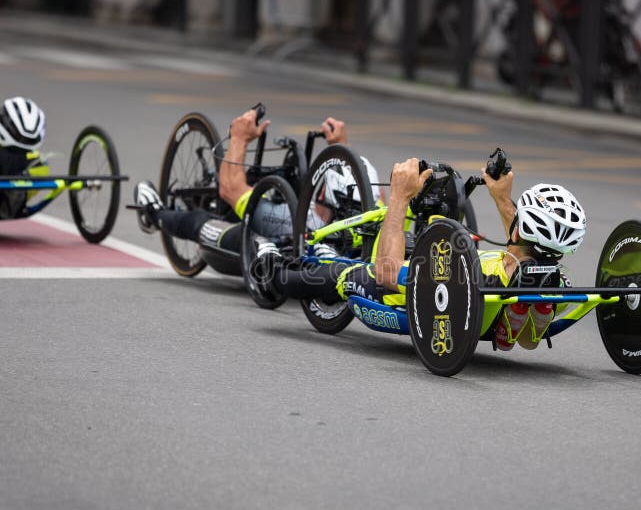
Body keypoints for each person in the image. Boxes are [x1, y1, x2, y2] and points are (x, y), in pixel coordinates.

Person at [267, 156, 587, 350]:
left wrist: (399, 198)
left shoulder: (465, 279)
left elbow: (388, 273)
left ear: (518, 229)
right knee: (438, 234)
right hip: (478, 298)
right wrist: (503, 199)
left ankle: (271, 270)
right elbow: (522, 245)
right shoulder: (545, 280)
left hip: (399, 292)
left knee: (347, 272)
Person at [134, 109, 383, 256]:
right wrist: (341, 147)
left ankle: (155, 214)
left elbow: (229, 189)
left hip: (261, 241)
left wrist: (239, 139)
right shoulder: (382, 223)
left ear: (321, 196)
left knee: (210, 228)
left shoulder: (296, 220)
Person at [0, 96, 48, 219]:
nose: (24, 140)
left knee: (41, 164)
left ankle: (9, 206)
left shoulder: (36, 161)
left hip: (12, 197)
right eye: (20, 136)